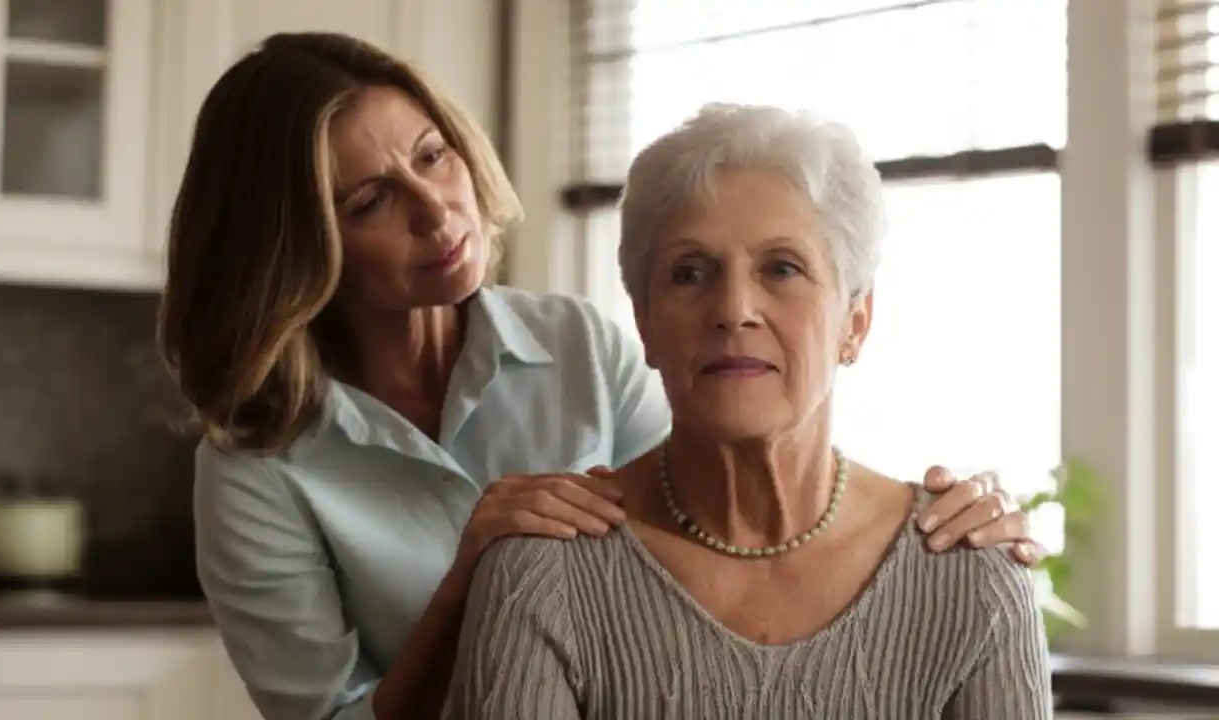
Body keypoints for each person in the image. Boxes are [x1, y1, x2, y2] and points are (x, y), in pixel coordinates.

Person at [157, 34, 1041, 720]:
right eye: (370, 202)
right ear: (299, 246)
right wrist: (476, 571)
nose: (436, 211)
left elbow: (733, 493)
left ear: (860, 313)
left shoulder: (575, 341)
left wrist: (941, 521)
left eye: (432, 156)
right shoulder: (255, 468)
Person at [443, 104, 1052, 719]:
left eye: (781, 268)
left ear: (855, 322)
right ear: (646, 325)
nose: (734, 309)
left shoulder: (972, 577)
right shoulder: (541, 575)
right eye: (690, 273)